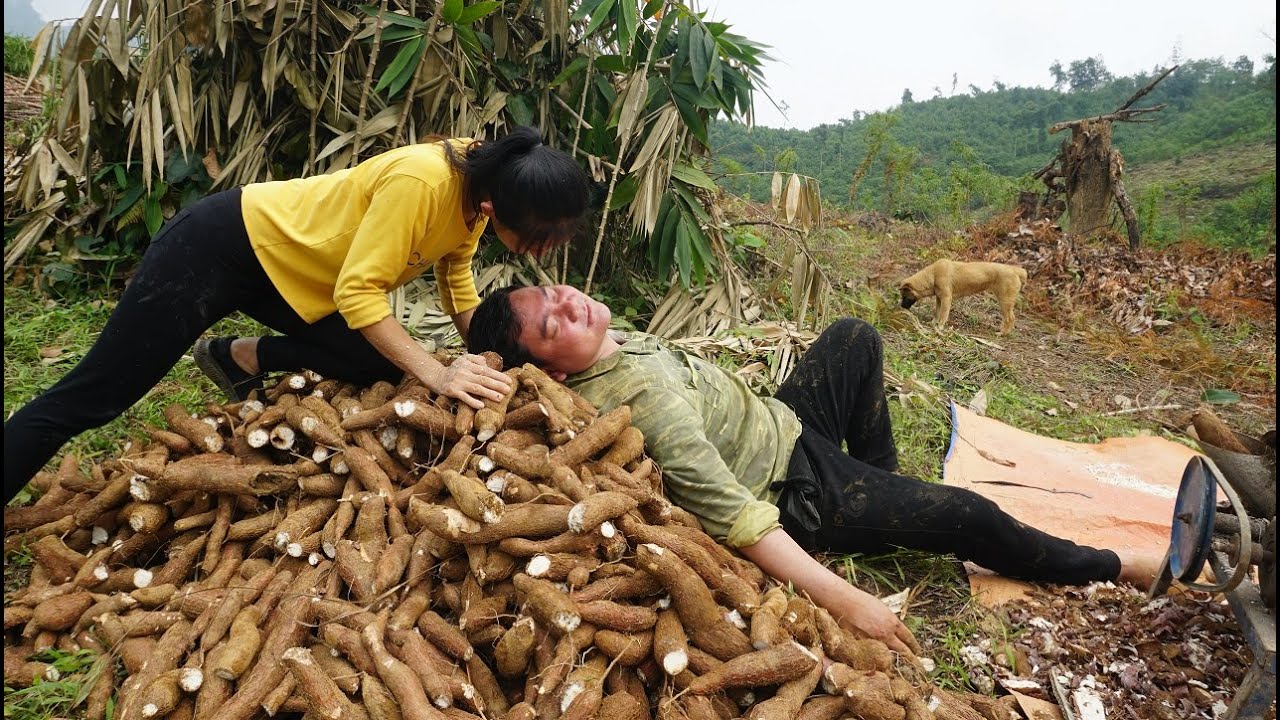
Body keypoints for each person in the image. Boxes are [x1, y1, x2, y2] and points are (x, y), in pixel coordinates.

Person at [467, 284, 1160, 655]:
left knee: (854, 337)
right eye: (556, 325)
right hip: (794, 488)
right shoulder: (640, 404)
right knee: (969, 515)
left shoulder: (606, 336)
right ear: (553, 367)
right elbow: (733, 514)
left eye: (556, 294)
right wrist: (844, 599)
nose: (571, 306)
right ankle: (1110, 563)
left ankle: (887, 494)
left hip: (786, 425)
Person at [3, 128, 591, 499]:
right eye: (538, 239)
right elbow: (359, 296)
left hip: (290, 277)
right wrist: (437, 374)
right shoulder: (425, 182)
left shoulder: (484, 186)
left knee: (373, 362)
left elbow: (455, 276)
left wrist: (480, 358)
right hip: (218, 249)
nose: (540, 253)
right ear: (495, 204)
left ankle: (235, 356)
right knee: (96, 395)